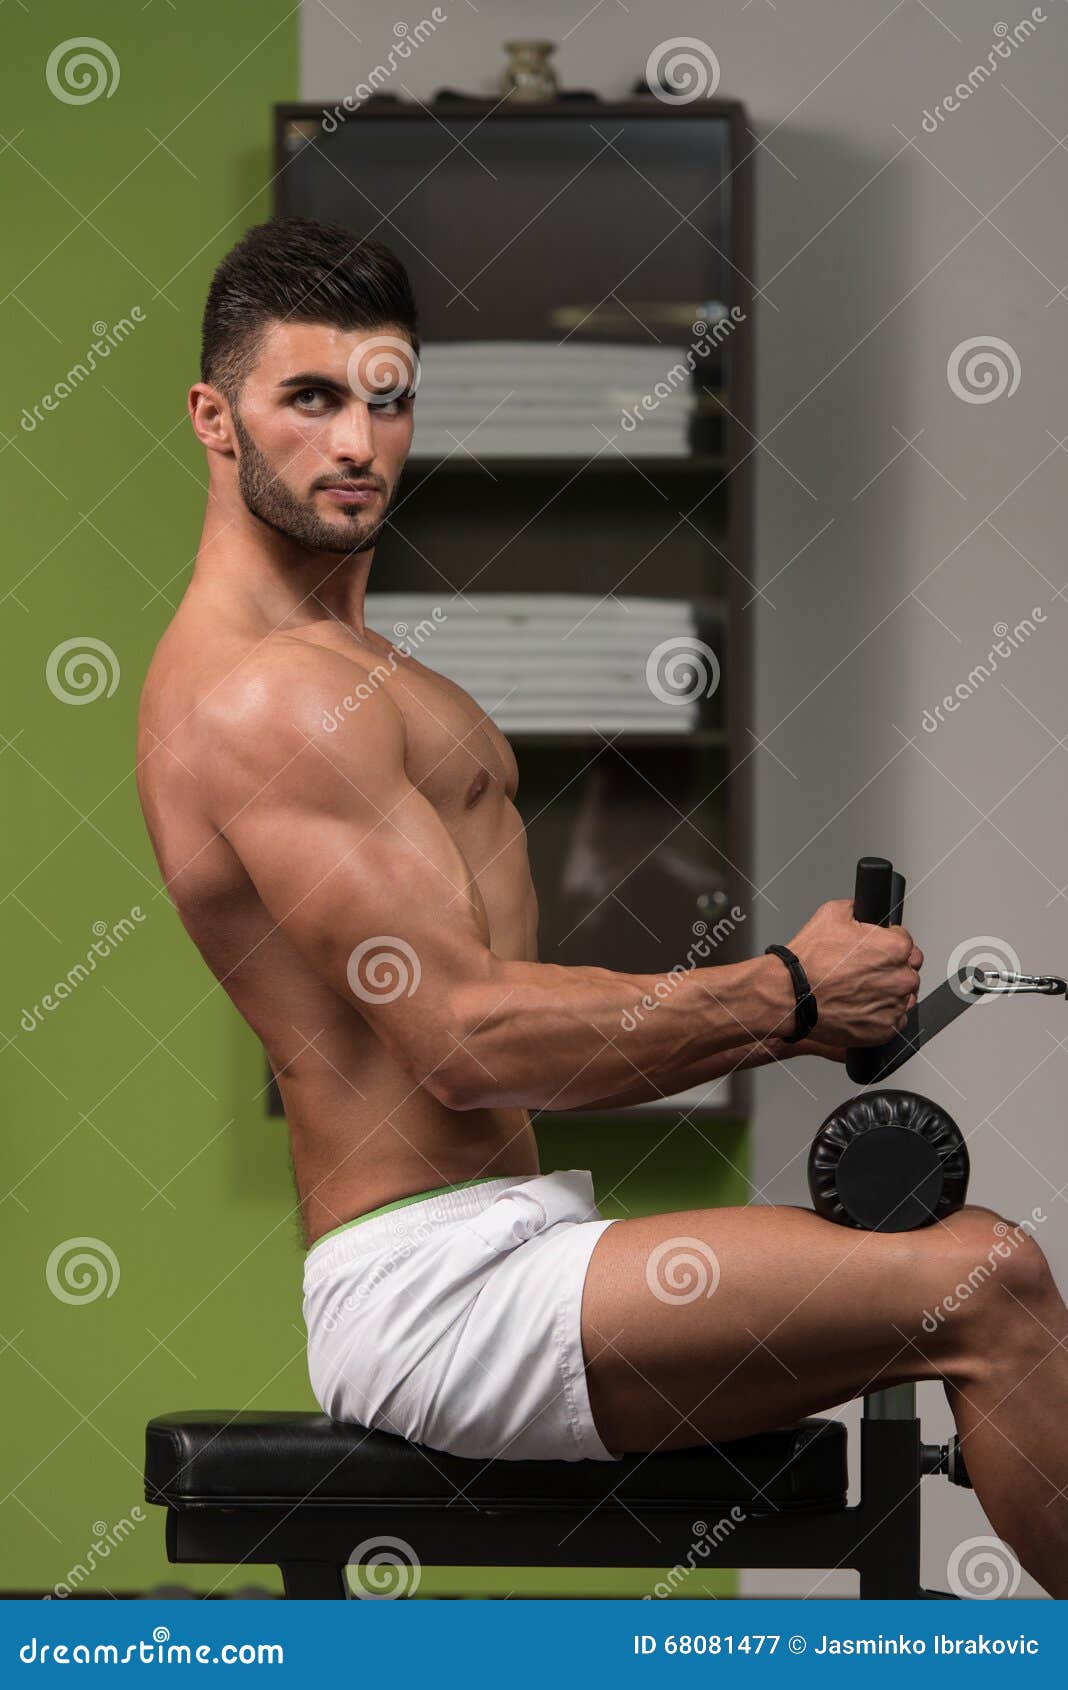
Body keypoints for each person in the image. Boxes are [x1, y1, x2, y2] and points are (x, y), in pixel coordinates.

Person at [137, 217, 1068, 1596]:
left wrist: (782, 1010)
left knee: (965, 1282)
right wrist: (787, 997)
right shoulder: (270, 698)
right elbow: (461, 1035)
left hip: (505, 1240)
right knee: (987, 1284)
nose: (355, 444)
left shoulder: (341, 664)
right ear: (216, 418)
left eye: (385, 399)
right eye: (309, 398)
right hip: (435, 1291)